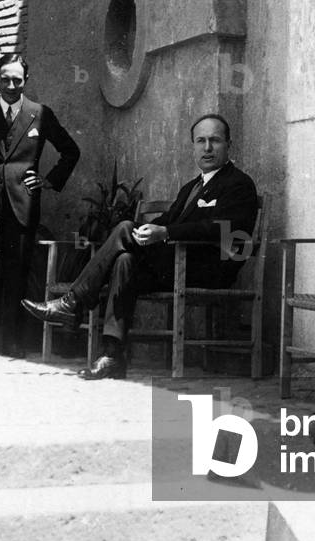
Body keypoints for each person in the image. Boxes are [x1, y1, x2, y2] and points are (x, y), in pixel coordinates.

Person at [22, 114, 258, 379]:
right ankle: (112, 356)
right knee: (125, 260)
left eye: (214, 140)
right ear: (193, 146)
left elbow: (224, 229)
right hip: (175, 267)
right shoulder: (191, 187)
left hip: (209, 267)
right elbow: (166, 220)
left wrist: (165, 232)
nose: (207, 148)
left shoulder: (239, 184)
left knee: (123, 229)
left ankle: (72, 302)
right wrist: (150, 229)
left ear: (229, 145)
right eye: (200, 141)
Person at [0, 53, 81, 358]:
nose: (10, 85)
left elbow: (71, 151)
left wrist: (47, 180)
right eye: (4, 79)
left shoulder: (40, 113)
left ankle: (13, 342)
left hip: (23, 204)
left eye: (16, 80)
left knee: (18, 271)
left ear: (26, 80)